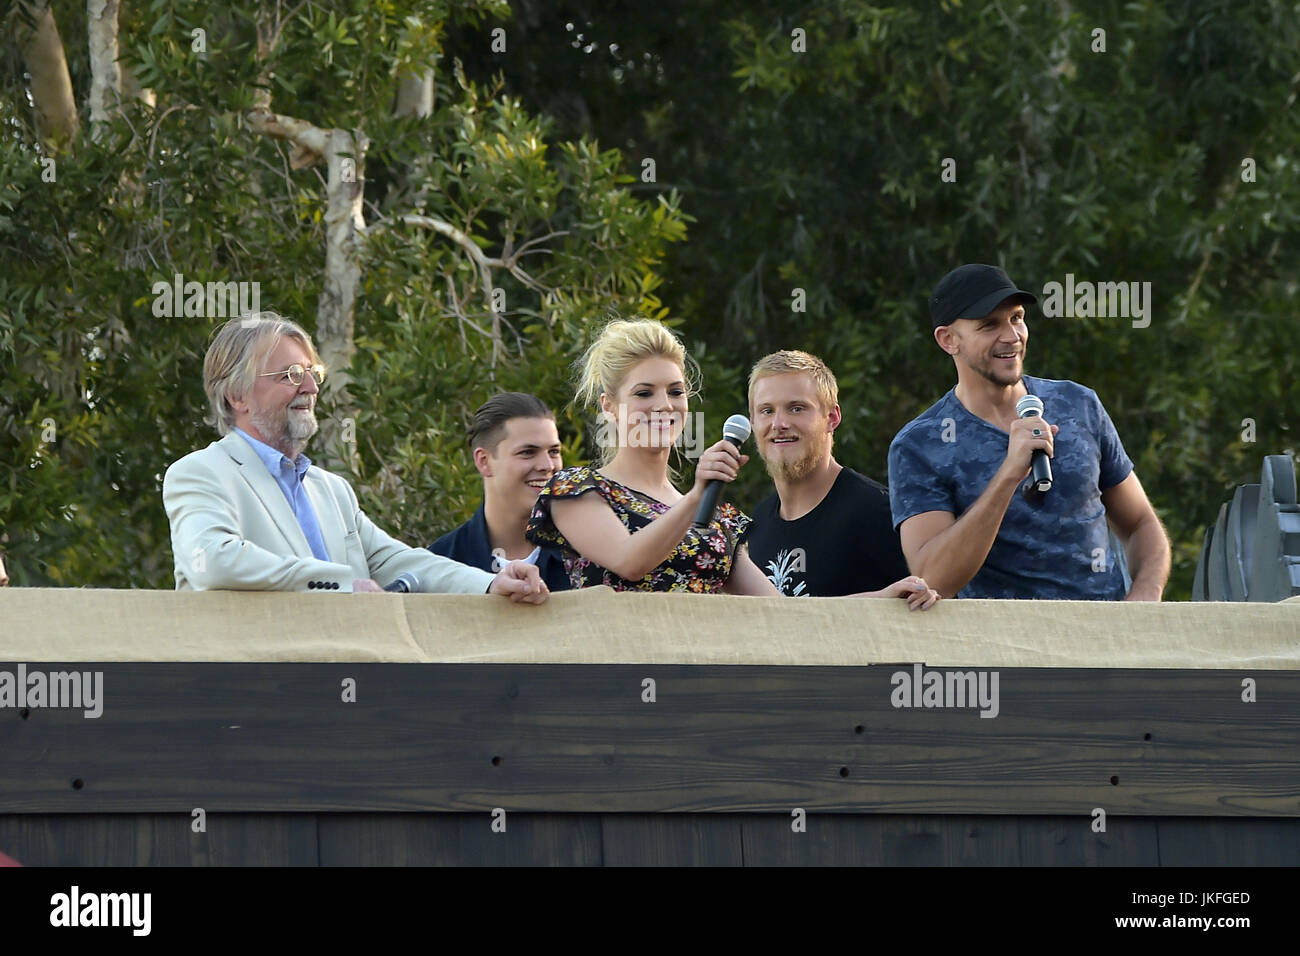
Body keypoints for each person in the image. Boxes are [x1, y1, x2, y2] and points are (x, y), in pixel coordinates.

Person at [163, 312, 547, 602]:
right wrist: (344, 585)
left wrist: (490, 583)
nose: (311, 387)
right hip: (253, 694)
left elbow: (399, 561)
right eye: (291, 374)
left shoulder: (332, 490)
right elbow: (212, 561)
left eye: (313, 373)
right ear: (237, 395)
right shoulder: (200, 473)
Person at [888, 263, 1170, 600]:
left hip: (1104, 640)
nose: (1011, 336)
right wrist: (1010, 473)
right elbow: (934, 577)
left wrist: (1144, 601)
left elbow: (1141, 524)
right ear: (948, 340)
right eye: (989, 325)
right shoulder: (920, 444)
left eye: (1017, 318)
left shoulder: (1078, 404)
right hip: (1003, 645)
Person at [525, 318, 777, 594]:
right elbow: (629, 561)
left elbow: (775, 612)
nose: (664, 405)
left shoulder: (719, 521)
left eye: (676, 392)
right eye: (644, 393)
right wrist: (697, 496)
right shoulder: (575, 489)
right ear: (609, 406)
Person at [745, 350, 940, 609]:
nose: (779, 423)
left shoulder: (878, 513)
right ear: (753, 422)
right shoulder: (757, 524)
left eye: (796, 408)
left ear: (832, 418)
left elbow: (931, 615)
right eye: (767, 411)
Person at [430, 392, 571, 592]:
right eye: (528, 452)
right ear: (484, 461)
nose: (547, 465)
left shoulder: (587, 555)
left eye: (554, 452)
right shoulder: (441, 563)